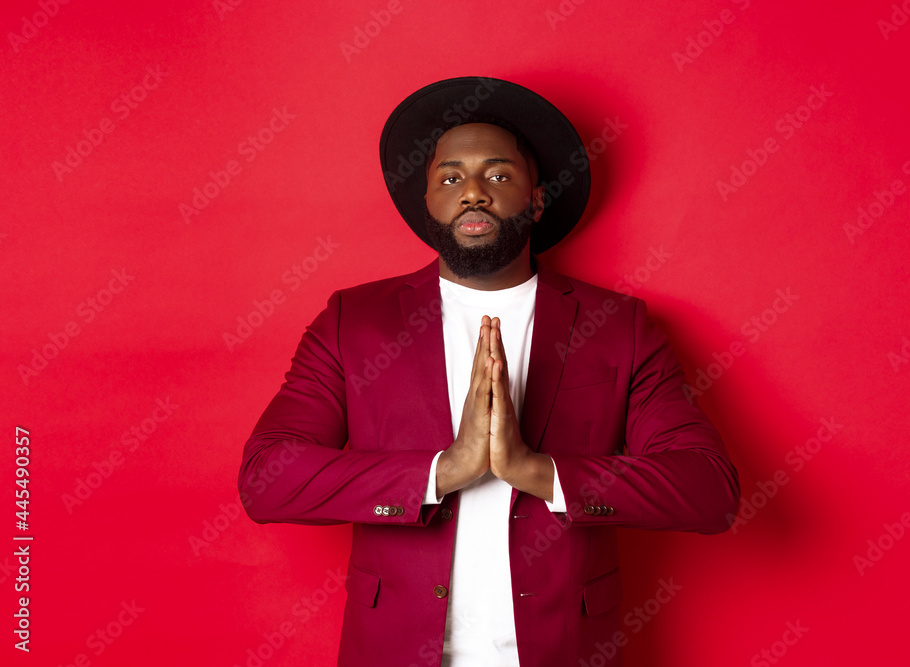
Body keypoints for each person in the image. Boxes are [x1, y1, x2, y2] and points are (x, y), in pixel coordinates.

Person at [238, 76, 740, 667]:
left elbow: (709, 492)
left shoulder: (617, 325)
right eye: (451, 178)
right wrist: (441, 471)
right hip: (396, 650)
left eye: (498, 175)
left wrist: (541, 472)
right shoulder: (356, 321)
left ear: (536, 198)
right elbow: (266, 479)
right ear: (427, 201)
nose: (473, 192)